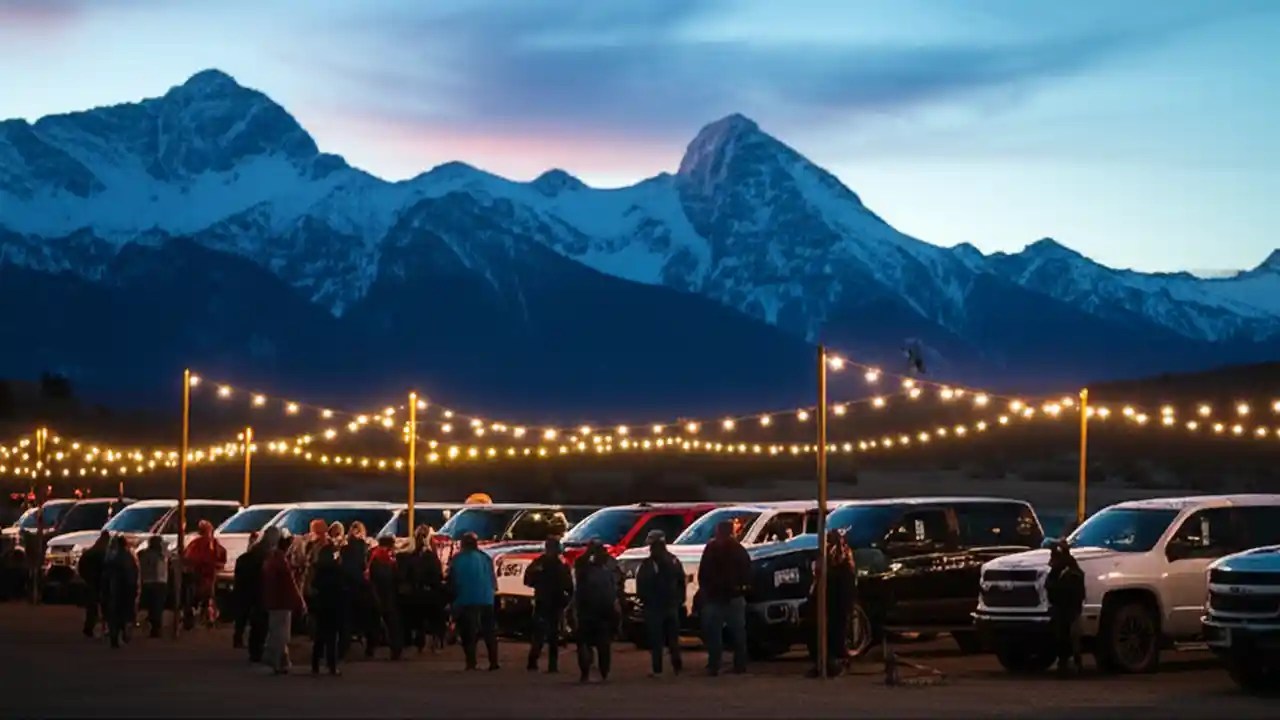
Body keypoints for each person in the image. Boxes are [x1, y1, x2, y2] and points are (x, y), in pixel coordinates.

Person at [697, 521, 751, 676]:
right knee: (737, 633)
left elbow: (704, 572)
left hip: (716, 598)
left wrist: (706, 590)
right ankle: (739, 665)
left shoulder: (712, 549)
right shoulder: (738, 550)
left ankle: (715, 665)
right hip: (732, 597)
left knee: (715, 633)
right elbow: (747, 572)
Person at [808, 529, 857, 678]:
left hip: (836, 603)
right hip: (827, 603)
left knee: (836, 633)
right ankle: (824, 662)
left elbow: (845, 587)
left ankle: (835, 662)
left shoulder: (842, 563)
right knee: (822, 634)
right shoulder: (829, 560)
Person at [447, 531, 499, 671]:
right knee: (489, 632)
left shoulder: (457, 559)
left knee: (469, 633)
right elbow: (493, 580)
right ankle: (493, 662)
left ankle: (471, 663)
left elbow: (452, 581)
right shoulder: (486, 558)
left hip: (466, 600)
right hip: (487, 599)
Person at [573, 538, 622, 683]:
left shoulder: (605, 571)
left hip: (599, 612)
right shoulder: (586, 570)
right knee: (589, 645)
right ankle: (589, 672)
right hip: (590, 612)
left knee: (600, 646)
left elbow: (614, 590)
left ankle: (598, 672)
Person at [637, 530, 685, 677]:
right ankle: (676, 666)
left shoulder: (650, 564)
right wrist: (679, 600)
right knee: (672, 639)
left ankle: (659, 668)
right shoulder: (674, 560)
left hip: (656, 606)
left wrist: (644, 600)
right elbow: (681, 582)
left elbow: (642, 584)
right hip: (669, 605)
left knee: (657, 639)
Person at [523, 537, 573, 673]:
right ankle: (547, 664)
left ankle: (537, 662)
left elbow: (528, 580)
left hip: (547, 601)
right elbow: (569, 586)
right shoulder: (559, 565)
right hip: (550, 602)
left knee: (544, 635)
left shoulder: (542, 563)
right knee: (550, 635)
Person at [398, 525, 445, 654]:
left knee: (418, 620)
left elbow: (404, 575)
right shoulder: (432, 557)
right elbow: (438, 576)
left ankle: (419, 643)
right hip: (430, 594)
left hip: (415, 594)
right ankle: (434, 643)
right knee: (434, 617)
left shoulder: (409, 556)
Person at [264, 532, 305, 675]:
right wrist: (299, 600)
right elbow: (289, 584)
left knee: (276, 631)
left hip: (273, 601)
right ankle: (279, 661)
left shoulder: (272, 560)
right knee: (282, 634)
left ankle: (279, 660)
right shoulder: (281, 562)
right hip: (282, 602)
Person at [1046, 540, 1085, 675]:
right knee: (1065, 635)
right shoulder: (1064, 569)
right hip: (1064, 607)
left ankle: (1071, 661)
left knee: (1068, 635)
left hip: (1067, 607)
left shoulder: (1068, 569)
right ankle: (1068, 661)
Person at [237, 527, 276, 662]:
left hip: (248, 588)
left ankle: (252, 648)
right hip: (259, 589)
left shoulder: (252, 553)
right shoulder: (267, 554)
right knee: (260, 622)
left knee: (250, 618)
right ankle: (257, 651)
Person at [309, 532, 345, 676]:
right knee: (331, 636)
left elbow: (314, 585)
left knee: (320, 635)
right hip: (333, 604)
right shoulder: (336, 571)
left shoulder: (319, 569)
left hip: (321, 604)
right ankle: (331, 665)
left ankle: (315, 664)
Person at [338, 522, 374, 659]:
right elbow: (366, 566)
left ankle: (343, 649)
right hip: (362, 586)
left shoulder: (344, 549)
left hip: (347, 586)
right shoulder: (365, 548)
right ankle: (369, 649)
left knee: (346, 620)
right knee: (366, 618)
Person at [183, 519, 226, 629]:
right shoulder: (206, 543)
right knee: (205, 598)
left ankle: (205, 617)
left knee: (201, 598)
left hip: (203, 576)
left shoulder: (201, 543)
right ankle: (206, 618)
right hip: (203, 576)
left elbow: (188, 557)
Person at [367, 534, 404, 660]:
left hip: (376, 594)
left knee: (375, 624)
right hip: (385, 595)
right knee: (392, 624)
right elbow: (388, 577)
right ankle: (395, 650)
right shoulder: (385, 558)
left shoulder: (373, 555)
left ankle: (371, 649)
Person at [101, 535, 139, 649]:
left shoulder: (111, 558)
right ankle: (123, 634)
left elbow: (106, 575)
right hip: (126, 589)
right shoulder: (129, 557)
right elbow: (134, 573)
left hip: (115, 589)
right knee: (125, 613)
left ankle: (115, 636)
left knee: (115, 614)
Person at [77, 530, 111, 637]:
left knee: (92, 607)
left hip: (91, 581)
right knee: (105, 607)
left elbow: (81, 566)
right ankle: (106, 628)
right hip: (100, 582)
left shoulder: (90, 552)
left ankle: (89, 627)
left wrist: (86, 578)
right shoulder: (105, 553)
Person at [137, 535, 170, 638]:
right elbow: (168, 553)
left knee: (151, 606)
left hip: (147, 582)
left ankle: (152, 624)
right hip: (159, 582)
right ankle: (155, 628)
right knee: (157, 606)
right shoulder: (161, 555)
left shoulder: (143, 554)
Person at [231, 530, 260, 649]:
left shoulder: (242, 558)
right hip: (251, 590)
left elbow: (237, 575)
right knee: (252, 617)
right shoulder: (258, 559)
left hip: (242, 589)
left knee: (241, 617)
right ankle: (250, 641)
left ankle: (238, 638)